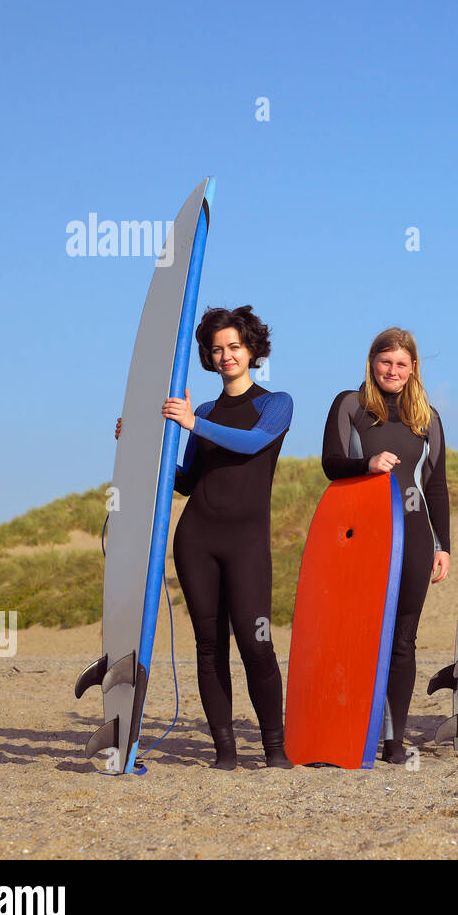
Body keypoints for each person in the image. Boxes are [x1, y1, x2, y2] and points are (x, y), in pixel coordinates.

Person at [117, 305, 295, 770]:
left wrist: (192, 424)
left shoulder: (275, 403)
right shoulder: (205, 409)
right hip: (196, 538)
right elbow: (188, 478)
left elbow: (253, 443)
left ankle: (275, 750)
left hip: (247, 543)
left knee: (257, 643)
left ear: (252, 349)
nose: (225, 356)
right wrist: (137, 444)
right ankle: (225, 752)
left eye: (234, 346)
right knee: (209, 644)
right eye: (216, 349)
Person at [321, 328, 451, 764]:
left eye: (401, 363)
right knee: (357, 634)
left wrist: (443, 544)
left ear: (413, 367)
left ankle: (393, 743)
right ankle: (350, 732)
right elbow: (331, 465)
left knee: (403, 641)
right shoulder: (350, 405)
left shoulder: (427, 418)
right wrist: (368, 464)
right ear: (372, 362)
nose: (393, 371)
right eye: (385, 362)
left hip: (413, 535)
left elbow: (437, 487)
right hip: (362, 535)